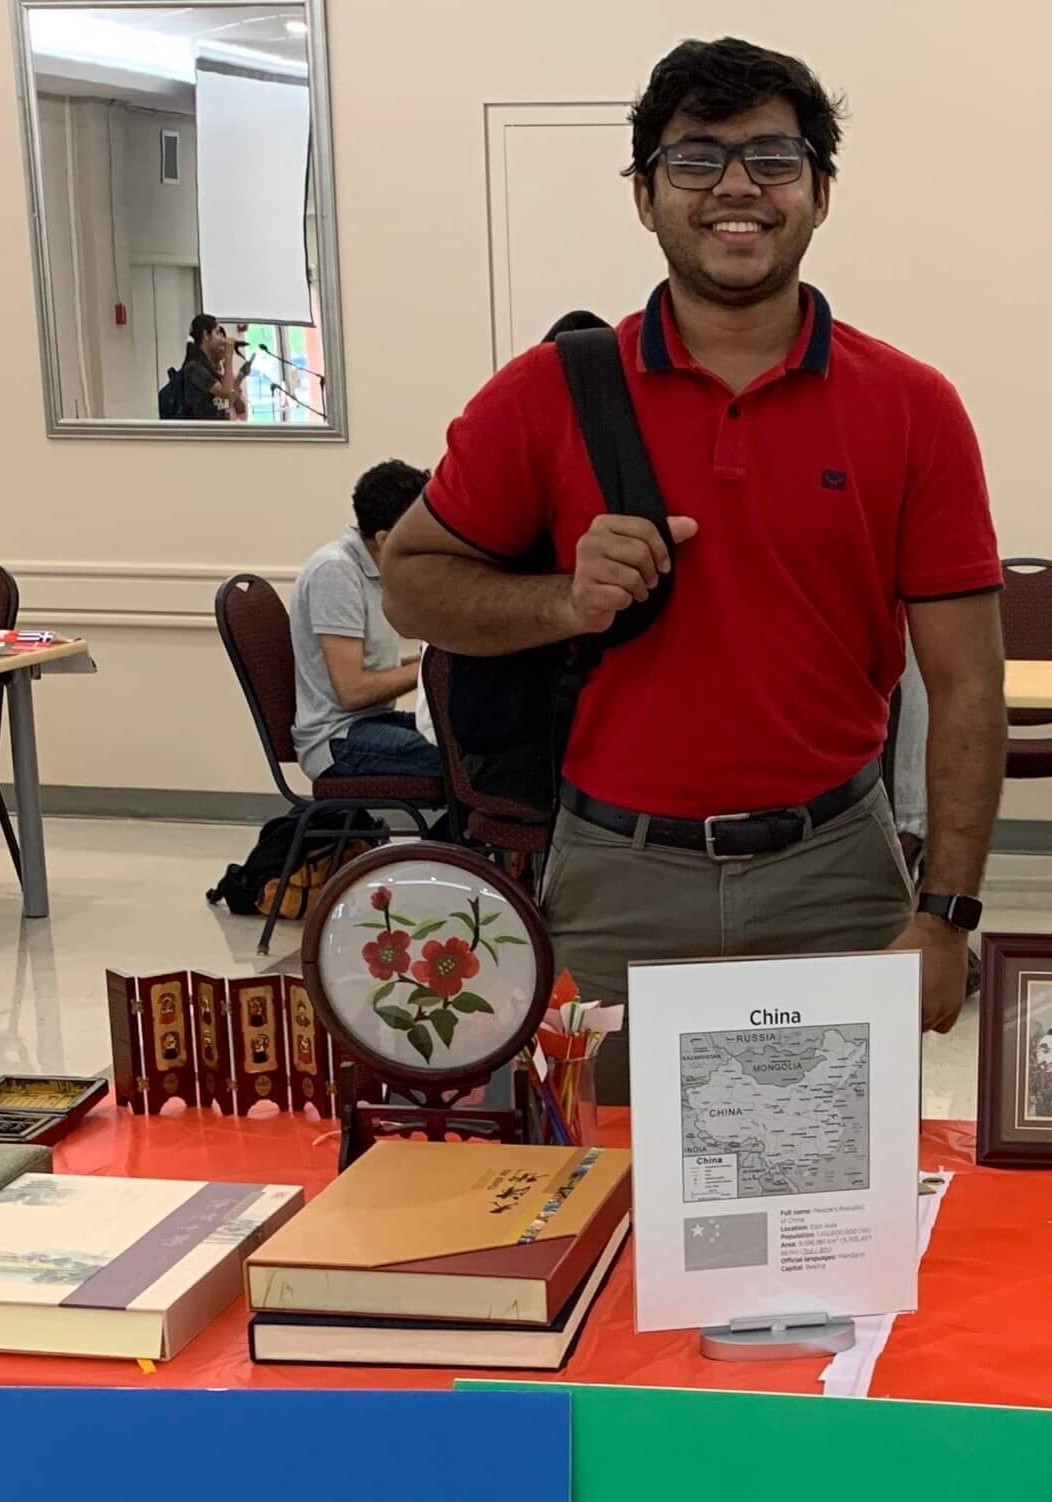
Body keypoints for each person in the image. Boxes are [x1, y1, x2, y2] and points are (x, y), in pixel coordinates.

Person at [378, 36, 1007, 1095]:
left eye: (772, 157)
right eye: (694, 158)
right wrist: (563, 599)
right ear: (643, 194)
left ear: (819, 192)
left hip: (834, 875)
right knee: (607, 1187)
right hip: (617, 879)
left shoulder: (912, 407)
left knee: (821, 1217)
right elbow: (411, 581)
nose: (735, 188)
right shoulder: (546, 393)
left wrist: (944, 913)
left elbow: (967, 683)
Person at [292, 459, 442, 781]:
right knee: (467, 764)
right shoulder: (336, 572)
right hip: (338, 739)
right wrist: (429, 668)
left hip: (370, 723)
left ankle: (454, 832)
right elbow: (352, 691)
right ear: (387, 539)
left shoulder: (377, 570)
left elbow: (371, 668)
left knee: (472, 744)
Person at [163, 314, 248, 421]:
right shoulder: (194, 368)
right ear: (206, 335)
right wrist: (228, 357)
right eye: (217, 333)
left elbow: (228, 401)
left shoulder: (208, 369)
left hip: (213, 432)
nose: (222, 339)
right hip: (200, 434)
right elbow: (226, 394)